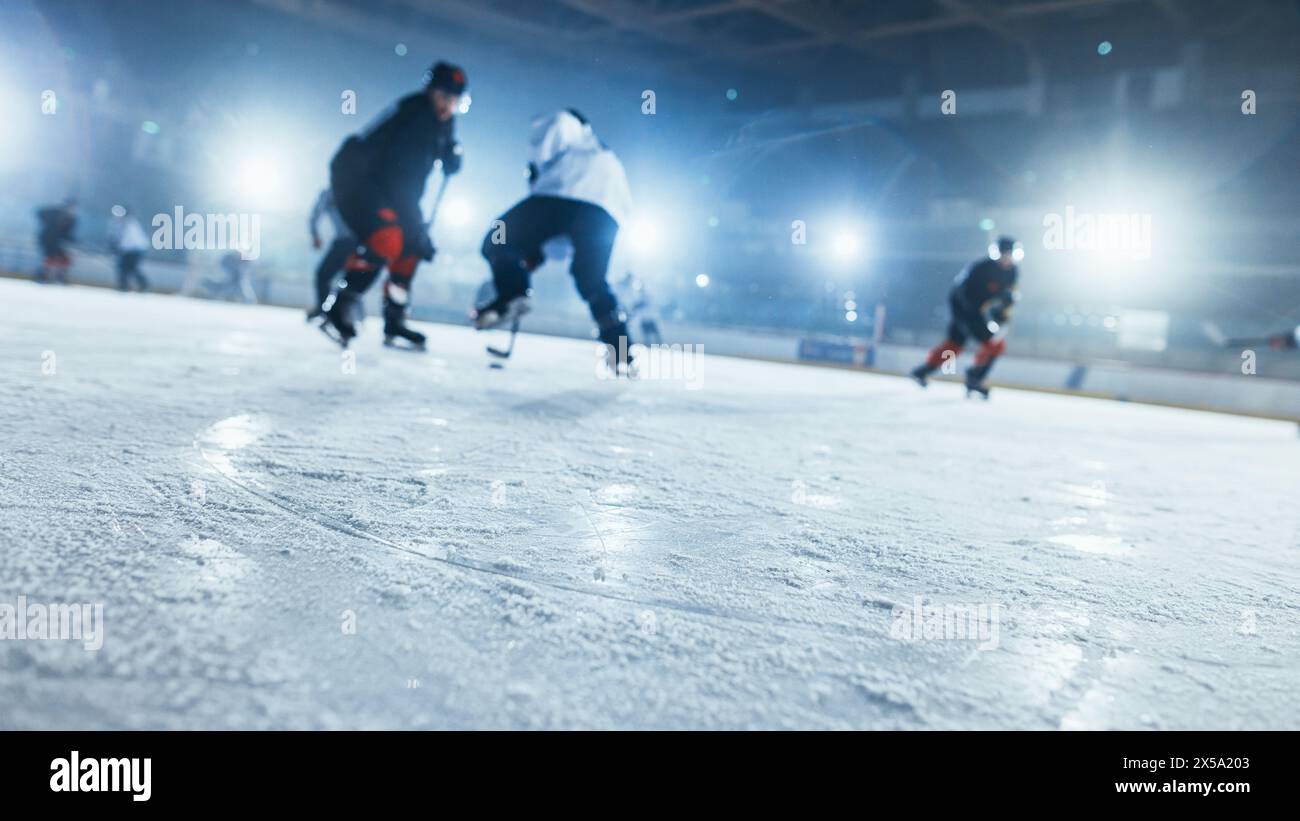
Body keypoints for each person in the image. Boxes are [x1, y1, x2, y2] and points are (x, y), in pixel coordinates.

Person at [320, 60, 466, 349]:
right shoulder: (416, 118)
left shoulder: (443, 122)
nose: (448, 106)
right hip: (360, 185)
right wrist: (415, 224)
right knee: (389, 239)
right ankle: (339, 306)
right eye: (443, 97)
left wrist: (452, 155)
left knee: (411, 247)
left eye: (455, 101)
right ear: (430, 93)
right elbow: (401, 181)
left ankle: (394, 320)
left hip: (390, 190)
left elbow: (447, 146)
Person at [474, 109, 634, 372]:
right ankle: (621, 350)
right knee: (591, 280)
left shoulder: (571, 126)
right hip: (607, 212)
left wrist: (538, 170)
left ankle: (514, 293)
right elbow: (557, 246)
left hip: (563, 194)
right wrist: (529, 258)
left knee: (498, 234)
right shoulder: (606, 158)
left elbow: (559, 123)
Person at [910, 236, 1021, 398]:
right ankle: (974, 377)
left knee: (954, 345)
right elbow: (961, 293)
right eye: (1004, 254)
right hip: (964, 309)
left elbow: (1007, 298)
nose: (1007, 258)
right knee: (995, 344)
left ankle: (921, 371)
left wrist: (1002, 314)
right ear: (997, 253)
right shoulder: (981, 268)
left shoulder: (1012, 271)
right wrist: (970, 318)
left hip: (979, 312)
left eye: (1011, 254)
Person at [306, 187, 356, 320]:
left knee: (324, 275)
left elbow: (315, 215)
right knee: (347, 278)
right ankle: (332, 310)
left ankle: (327, 310)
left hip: (348, 242)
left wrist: (315, 234)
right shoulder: (333, 193)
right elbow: (315, 215)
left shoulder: (331, 193)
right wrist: (315, 234)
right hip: (356, 241)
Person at [106, 205, 150, 292]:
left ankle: (142, 285)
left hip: (135, 250)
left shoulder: (130, 225)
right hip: (129, 250)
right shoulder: (122, 224)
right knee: (123, 268)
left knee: (130, 268)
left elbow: (127, 240)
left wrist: (116, 247)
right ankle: (123, 285)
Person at [34, 199, 77, 284]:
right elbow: (39, 213)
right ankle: (43, 276)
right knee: (51, 257)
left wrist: (72, 239)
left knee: (64, 258)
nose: (72, 210)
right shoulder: (55, 212)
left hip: (56, 241)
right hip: (47, 239)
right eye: (71, 207)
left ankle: (60, 276)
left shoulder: (71, 220)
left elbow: (66, 234)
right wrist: (49, 225)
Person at [616, 271, 663, 345]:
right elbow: (634, 306)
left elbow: (645, 303)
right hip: (643, 319)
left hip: (650, 318)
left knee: (656, 335)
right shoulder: (634, 293)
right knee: (647, 336)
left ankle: (659, 346)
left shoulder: (646, 294)